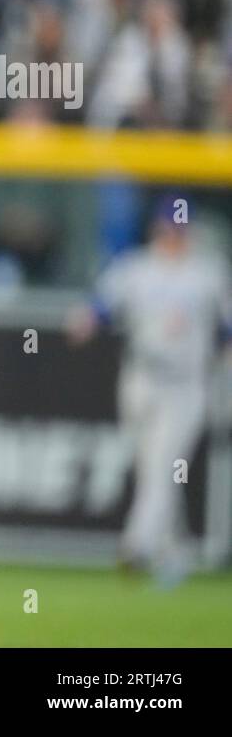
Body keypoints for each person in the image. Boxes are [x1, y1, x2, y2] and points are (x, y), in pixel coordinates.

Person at [67, 195, 232, 583]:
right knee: (150, 469)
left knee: (163, 464)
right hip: (141, 378)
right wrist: (86, 320)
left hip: (186, 383)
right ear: (157, 228)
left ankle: (136, 546)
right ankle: (174, 551)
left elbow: (227, 329)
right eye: (168, 228)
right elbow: (101, 307)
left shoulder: (208, 272)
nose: (174, 236)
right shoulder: (136, 268)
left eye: (180, 229)